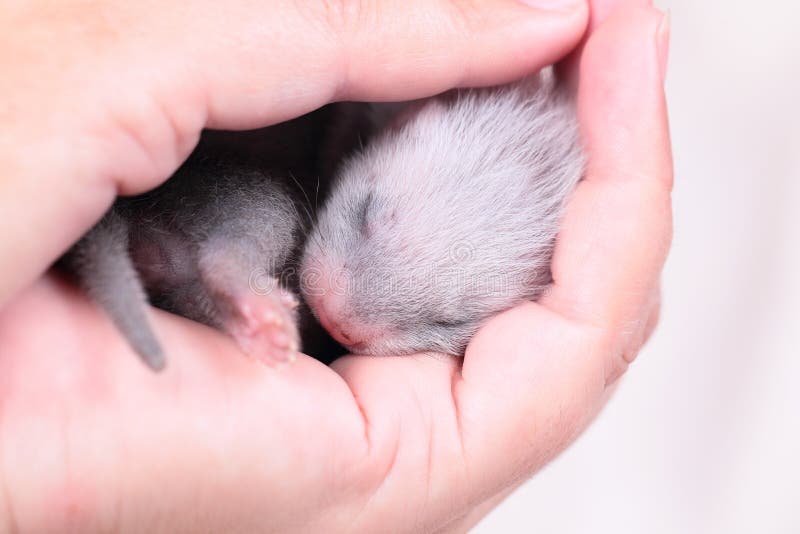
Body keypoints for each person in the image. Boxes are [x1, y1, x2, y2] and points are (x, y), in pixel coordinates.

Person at [0, 0, 671, 530]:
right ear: (411, 115)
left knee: (272, 230)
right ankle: (222, 276)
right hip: (157, 203)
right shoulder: (361, 80)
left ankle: (220, 282)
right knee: (268, 214)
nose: (348, 315)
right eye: (368, 219)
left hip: (180, 269)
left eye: (441, 320)